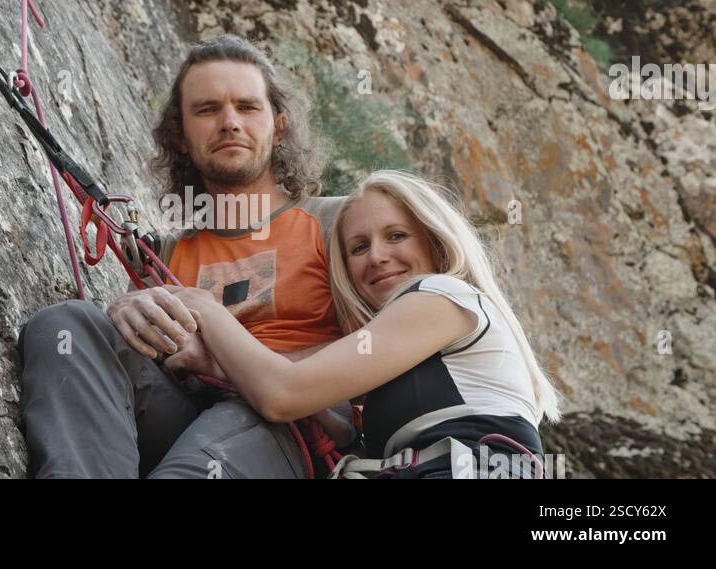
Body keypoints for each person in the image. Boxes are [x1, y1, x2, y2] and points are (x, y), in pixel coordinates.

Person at [18, 34, 358, 478]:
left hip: (288, 427)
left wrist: (228, 361)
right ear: (181, 136)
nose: (230, 122)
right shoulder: (166, 255)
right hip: (183, 413)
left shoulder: (337, 224)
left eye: (248, 107)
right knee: (64, 325)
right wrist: (126, 312)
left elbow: (382, 347)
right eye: (207, 109)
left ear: (279, 127)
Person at [166, 170, 562, 479]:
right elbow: (317, 406)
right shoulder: (410, 343)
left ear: (435, 242)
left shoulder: (442, 295)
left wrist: (207, 307)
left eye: (396, 235)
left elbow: (282, 391)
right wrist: (220, 367)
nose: (377, 257)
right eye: (359, 247)